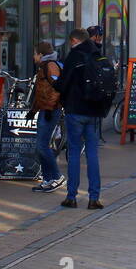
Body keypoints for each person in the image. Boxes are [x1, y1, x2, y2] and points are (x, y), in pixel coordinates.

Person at [54, 28, 106, 209]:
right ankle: (94, 198)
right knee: (92, 153)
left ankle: (71, 196)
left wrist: (56, 84)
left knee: (74, 152)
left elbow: (63, 84)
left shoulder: (74, 57)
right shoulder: (97, 54)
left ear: (75, 40)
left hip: (75, 110)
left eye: (70, 42)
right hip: (93, 111)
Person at [26, 42, 66, 193]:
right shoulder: (43, 67)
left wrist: (50, 107)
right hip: (45, 109)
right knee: (41, 146)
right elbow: (41, 93)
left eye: (35, 53)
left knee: (41, 146)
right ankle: (48, 179)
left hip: (51, 110)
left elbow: (57, 89)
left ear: (41, 55)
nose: (33, 56)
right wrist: (33, 110)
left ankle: (56, 177)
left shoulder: (50, 66)